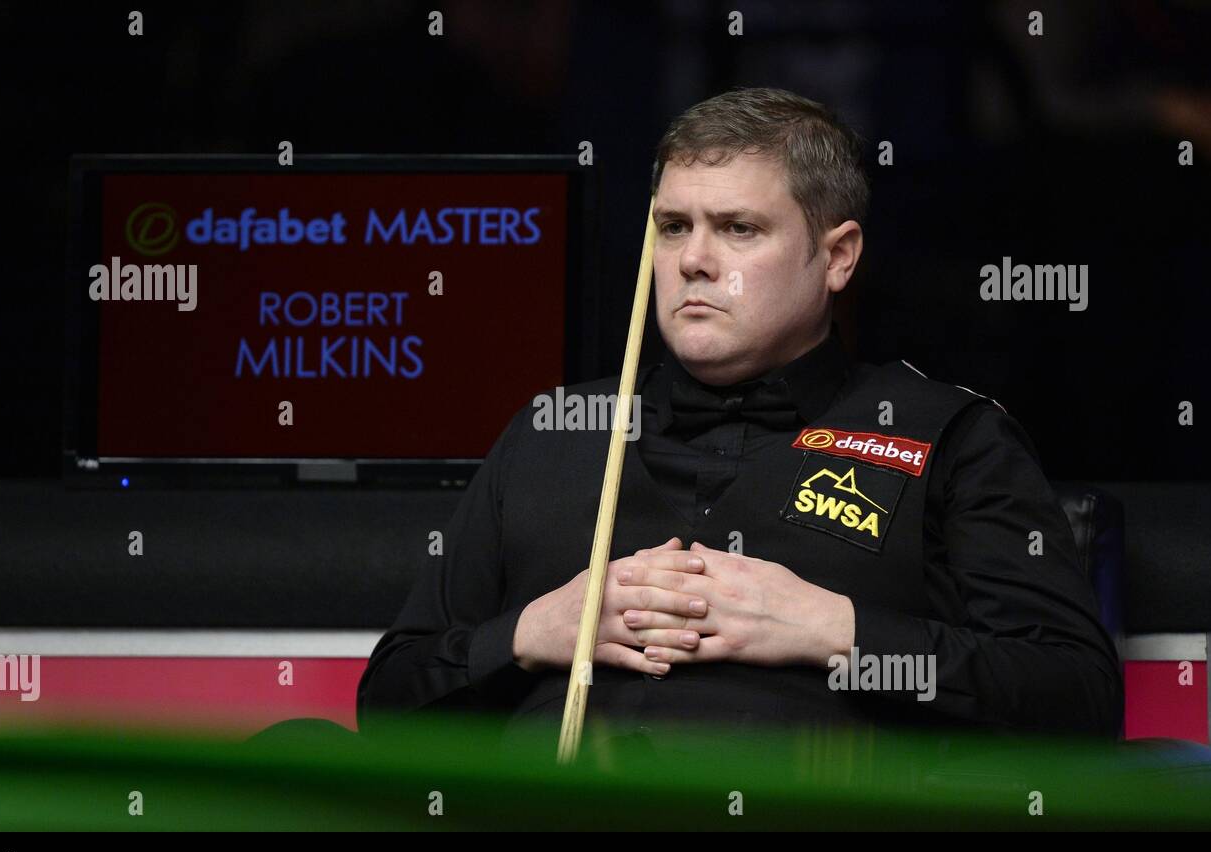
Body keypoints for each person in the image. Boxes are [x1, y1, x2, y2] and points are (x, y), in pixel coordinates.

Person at [357, 87, 1123, 737]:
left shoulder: (949, 436)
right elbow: (387, 698)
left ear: (839, 256)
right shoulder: (554, 432)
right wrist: (530, 634)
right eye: (673, 227)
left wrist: (836, 631)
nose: (693, 259)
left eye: (738, 229)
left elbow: (1076, 695)